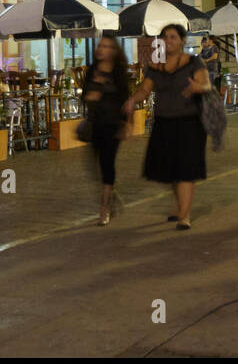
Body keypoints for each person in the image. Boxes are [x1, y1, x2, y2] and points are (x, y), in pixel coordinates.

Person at [123, 24, 213, 230]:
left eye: (173, 37)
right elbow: (145, 89)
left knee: (185, 171)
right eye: (165, 37)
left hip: (190, 123)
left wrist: (197, 87)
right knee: (171, 171)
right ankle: (179, 205)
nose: (168, 40)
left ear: (182, 40)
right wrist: (131, 101)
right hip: (164, 123)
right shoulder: (156, 66)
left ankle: (184, 215)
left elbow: (206, 85)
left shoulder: (193, 62)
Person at [83, 35, 131, 226]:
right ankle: (110, 191)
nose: (102, 49)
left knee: (107, 164)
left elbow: (125, 99)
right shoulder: (92, 70)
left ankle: (104, 209)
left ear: (113, 51)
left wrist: (125, 123)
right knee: (93, 169)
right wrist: (89, 96)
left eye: (107, 46)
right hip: (95, 124)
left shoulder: (118, 72)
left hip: (113, 124)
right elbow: (85, 94)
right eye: (100, 45)